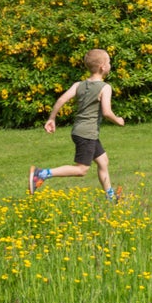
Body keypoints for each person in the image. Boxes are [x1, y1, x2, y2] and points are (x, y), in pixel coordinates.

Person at [28, 48, 125, 201]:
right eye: (109, 62)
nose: (110, 64)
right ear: (102, 66)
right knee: (81, 170)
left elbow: (61, 100)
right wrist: (118, 120)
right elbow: (106, 112)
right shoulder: (105, 87)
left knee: (103, 161)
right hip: (87, 134)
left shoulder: (79, 84)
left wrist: (51, 118)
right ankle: (41, 174)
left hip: (79, 131)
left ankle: (111, 197)